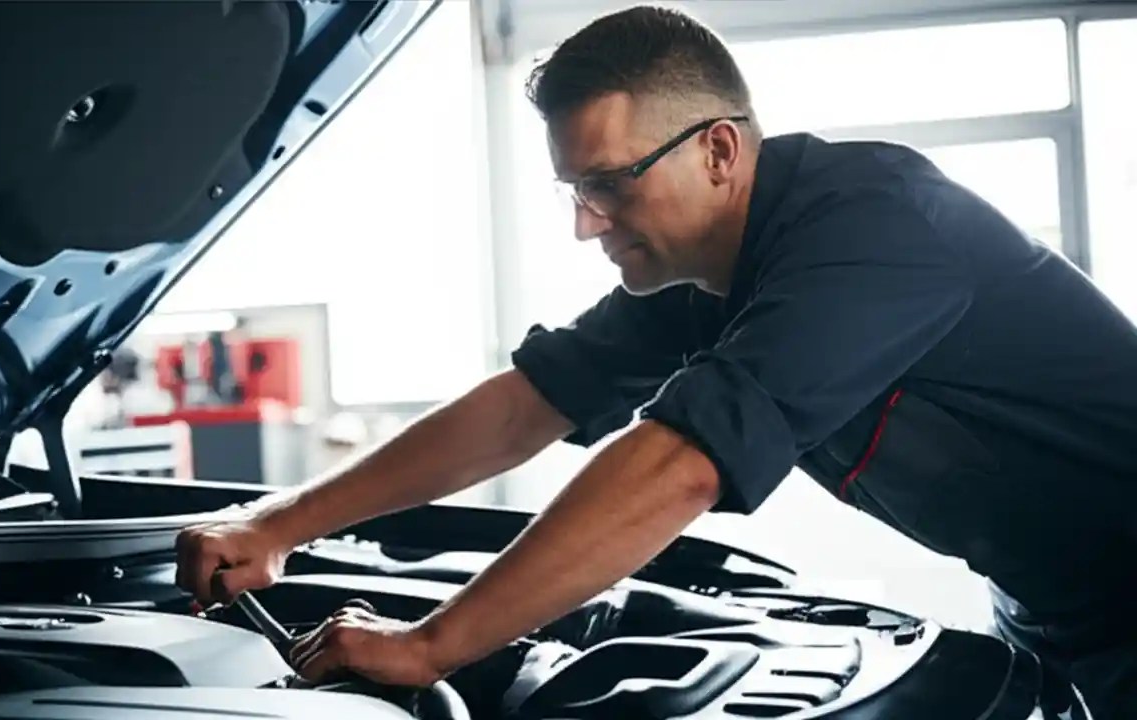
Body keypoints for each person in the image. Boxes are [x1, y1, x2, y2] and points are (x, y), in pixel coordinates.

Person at [176, 6, 1137, 716]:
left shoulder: (875, 229)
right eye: (572, 187)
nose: (585, 220)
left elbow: (682, 461)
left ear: (718, 150)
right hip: (1051, 606)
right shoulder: (702, 278)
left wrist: (432, 645)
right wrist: (278, 522)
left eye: (606, 184)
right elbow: (527, 404)